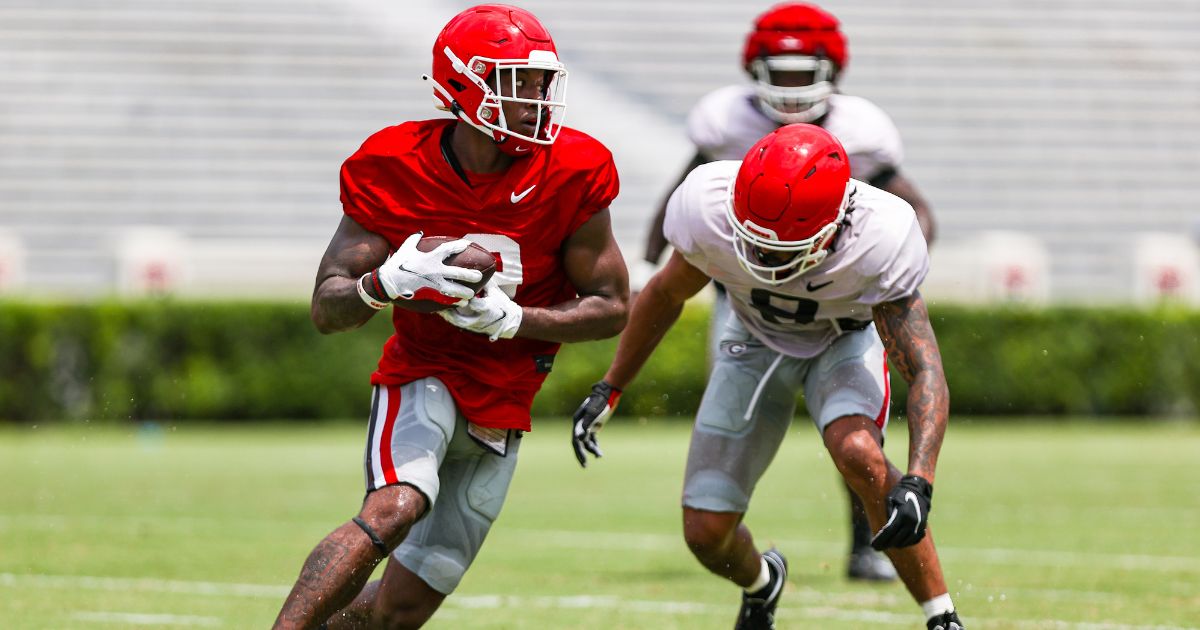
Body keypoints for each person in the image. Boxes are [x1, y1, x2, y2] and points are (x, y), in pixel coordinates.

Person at [272, 5, 628, 629]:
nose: (538, 99)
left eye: (543, 82)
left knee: (396, 613)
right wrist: (384, 283)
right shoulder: (395, 163)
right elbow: (328, 306)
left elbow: (612, 306)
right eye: (519, 82)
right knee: (395, 507)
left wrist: (517, 321)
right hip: (424, 374)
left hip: (506, 403)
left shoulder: (575, 168)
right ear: (464, 85)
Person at [573, 124, 964, 630]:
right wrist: (611, 386)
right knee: (705, 533)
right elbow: (667, 294)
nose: (761, 255)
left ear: (835, 226)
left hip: (841, 340)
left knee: (859, 453)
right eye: (752, 237)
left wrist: (918, 482)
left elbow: (925, 367)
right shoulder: (708, 205)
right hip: (753, 343)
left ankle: (942, 616)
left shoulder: (880, 235)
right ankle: (763, 583)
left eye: (780, 246)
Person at [638, 2, 936, 582]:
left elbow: (914, 209)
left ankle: (866, 542)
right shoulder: (727, 126)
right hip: (746, 301)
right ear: (756, 71)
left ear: (832, 72)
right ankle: (722, 528)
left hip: (834, 301)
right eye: (783, 74)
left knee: (854, 435)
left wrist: (890, 272)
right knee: (734, 417)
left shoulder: (861, 134)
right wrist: (649, 263)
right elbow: (682, 195)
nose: (794, 88)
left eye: (805, 74)